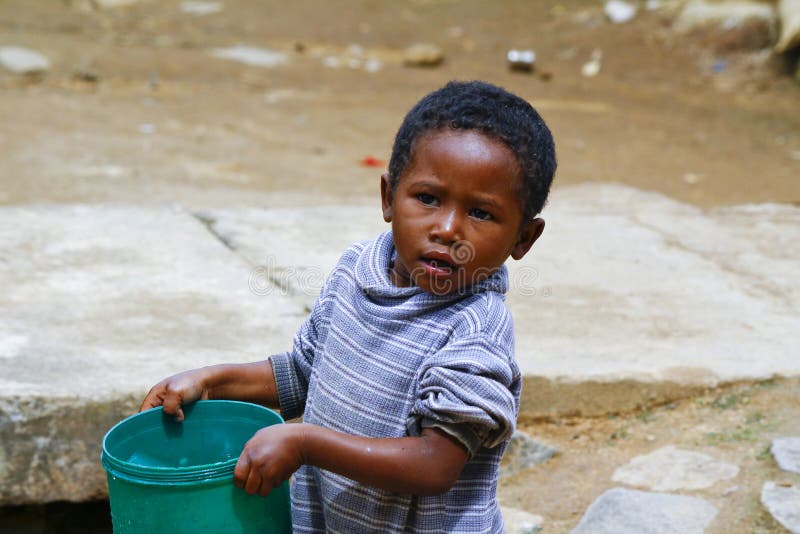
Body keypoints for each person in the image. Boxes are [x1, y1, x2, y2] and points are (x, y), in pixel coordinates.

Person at [140, 80, 557, 533]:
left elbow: (436, 465)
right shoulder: (358, 268)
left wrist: (306, 444)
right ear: (388, 198)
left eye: (481, 213)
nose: (447, 228)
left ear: (523, 238)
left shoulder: (474, 332)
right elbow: (304, 373)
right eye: (428, 199)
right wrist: (210, 381)